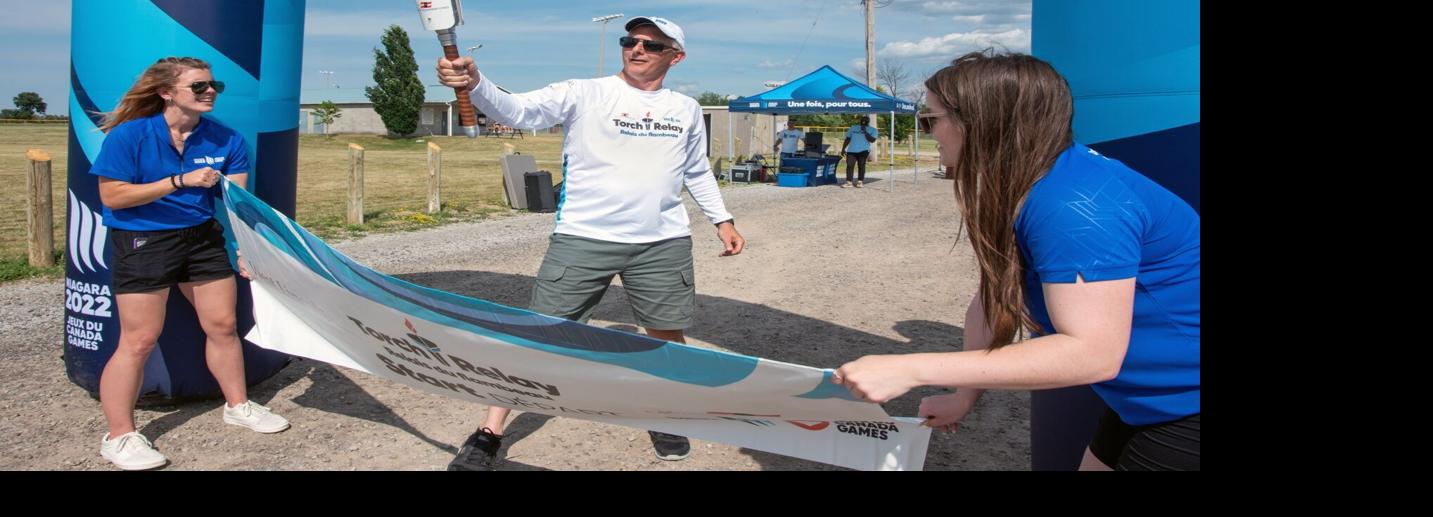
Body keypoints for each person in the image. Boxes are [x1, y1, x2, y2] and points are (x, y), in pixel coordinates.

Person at [833, 52, 1200, 470]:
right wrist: (963, 394)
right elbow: (994, 294)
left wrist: (912, 369)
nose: (930, 134)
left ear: (979, 123)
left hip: (1187, 404)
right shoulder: (1032, 180)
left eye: (930, 119)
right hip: (1148, 398)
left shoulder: (1072, 205)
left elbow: (1092, 353)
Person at [437, 15, 746, 469]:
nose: (637, 49)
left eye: (651, 45)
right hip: (584, 237)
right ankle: (489, 432)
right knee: (536, 336)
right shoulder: (584, 92)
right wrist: (476, 81)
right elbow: (516, 110)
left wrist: (723, 219)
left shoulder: (684, 108)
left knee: (665, 337)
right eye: (631, 40)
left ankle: (664, 415)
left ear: (675, 57)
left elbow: (696, 169)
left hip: (662, 243)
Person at [90, 56, 289, 471]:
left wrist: (243, 248)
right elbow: (113, 198)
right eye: (199, 86)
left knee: (223, 326)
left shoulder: (227, 140)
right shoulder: (129, 136)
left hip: (201, 239)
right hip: (143, 240)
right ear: (167, 93)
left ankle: (238, 406)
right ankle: (119, 436)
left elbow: (237, 206)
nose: (210, 91)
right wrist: (178, 182)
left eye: (213, 85)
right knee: (140, 339)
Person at [840, 117, 877, 188]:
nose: (863, 121)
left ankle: (860, 181)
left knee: (861, 165)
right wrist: (843, 149)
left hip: (864, 150)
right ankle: (849, 182)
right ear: (860, 121)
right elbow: (848, 138)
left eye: (865, 121)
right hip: (851, 150)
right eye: (862, 120)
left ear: (868, 121)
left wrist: (865, 132)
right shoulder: (853, 128)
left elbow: (872, 140)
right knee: (849, 165)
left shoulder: (873, 130)